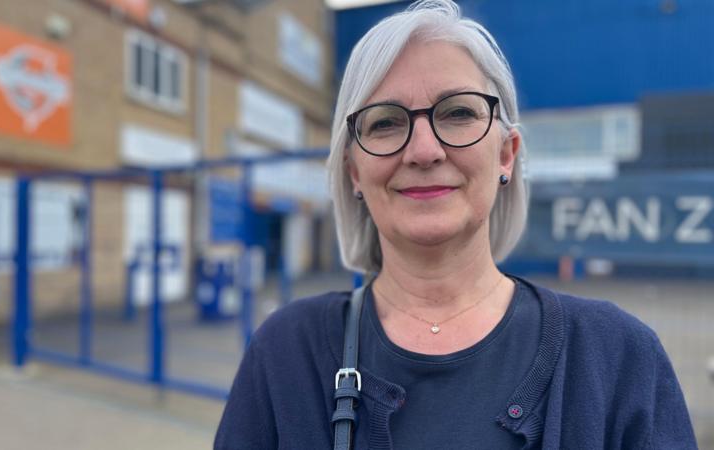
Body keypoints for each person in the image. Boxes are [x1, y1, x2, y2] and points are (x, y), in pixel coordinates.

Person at [215, 1, 698, 448]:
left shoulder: (619, 360)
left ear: (507, 154)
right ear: (354, 171)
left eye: (458, 112)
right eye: (385, 122)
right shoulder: (283, 357)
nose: (424, 150)